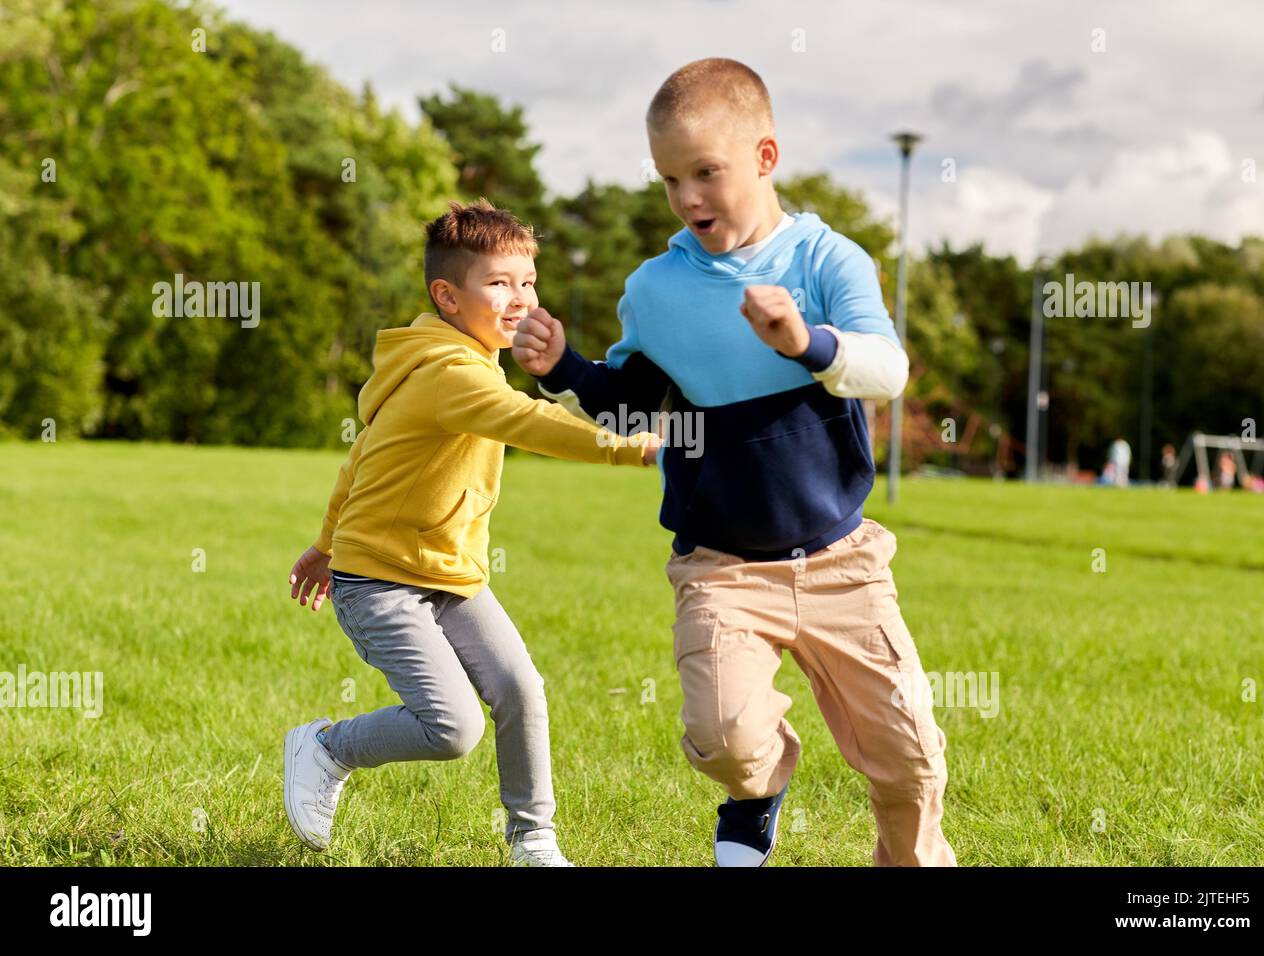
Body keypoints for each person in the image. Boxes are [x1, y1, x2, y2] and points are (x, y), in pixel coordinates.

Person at [513, 58, 955, 867]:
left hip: (841, 563)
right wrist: (565, 369)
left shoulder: (828, 263)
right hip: (721, 566)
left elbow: (886, 373)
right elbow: (633, 403)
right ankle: (759, 797)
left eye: (705, 173)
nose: (687, 199)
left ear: (765, 156)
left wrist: (806, 344)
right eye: (670, 180)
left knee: (910, 758)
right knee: (723, 739)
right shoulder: (656, 289)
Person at [284, 200, 656, 866]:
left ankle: (532, 840)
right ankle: (326, 747)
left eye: (529, 281)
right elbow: (529, 422)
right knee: (452, 726)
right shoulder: (450, 375)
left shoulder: (458, 362)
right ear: (447, 296)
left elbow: (360, 457)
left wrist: (320, 544)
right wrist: (633, 446)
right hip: (379, 583)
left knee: (520, 690)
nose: (522, 299)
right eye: (500, 283)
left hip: (451, 576)